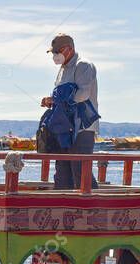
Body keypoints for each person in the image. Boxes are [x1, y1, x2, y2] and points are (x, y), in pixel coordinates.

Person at [40, 34, 99, 190]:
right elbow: (60, 95)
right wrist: (50, 100)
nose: (54, 56)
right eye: (53, 53)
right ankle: (62, 208)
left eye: (57, 51)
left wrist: (57, 100)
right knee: (62, 170)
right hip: (64, 128)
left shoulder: (84, 65)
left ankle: (94, 208)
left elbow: (83, 94)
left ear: (69, 49)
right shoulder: (63, 69)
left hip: (82, 127)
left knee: (81, 170)